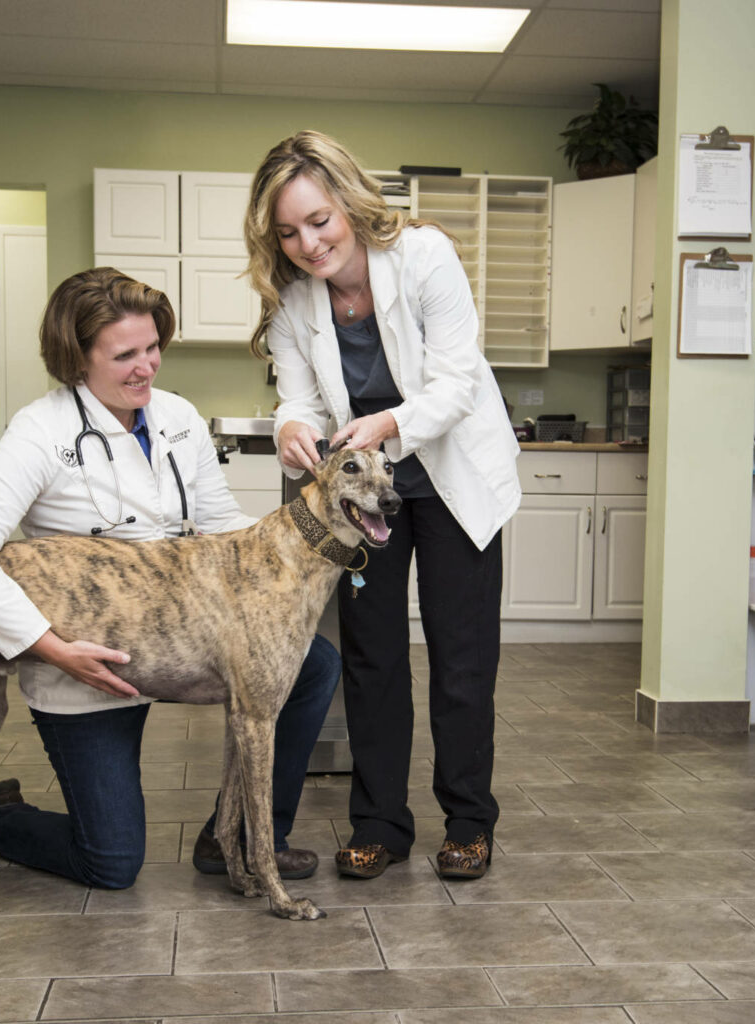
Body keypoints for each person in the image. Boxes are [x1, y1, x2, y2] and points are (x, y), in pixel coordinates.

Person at [0, 267, 340, 890]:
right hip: (87, 665)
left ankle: (253, 835)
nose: (147, 367)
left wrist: (307, 537)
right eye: (125, 355)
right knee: (112, 863)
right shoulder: (40, 432)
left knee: (315, 663)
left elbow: (224, 525)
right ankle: (5, 814)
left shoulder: (177, 416)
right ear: (77, 359)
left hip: (175, 642)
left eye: (153, 348)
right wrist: (51, 649)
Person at [242, 130, 521, 880]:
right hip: (365, 502)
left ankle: (468, 821)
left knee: (462, 661)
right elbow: (295, 395)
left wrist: (392, 423)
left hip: (451, 482)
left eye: (319, 221)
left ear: (350, 203)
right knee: (372, 658)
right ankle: (381, 825)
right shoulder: (293, 299)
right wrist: (293, 425)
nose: (307, 243)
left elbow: (457, 384)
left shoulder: (424, 257)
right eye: (289, 232)